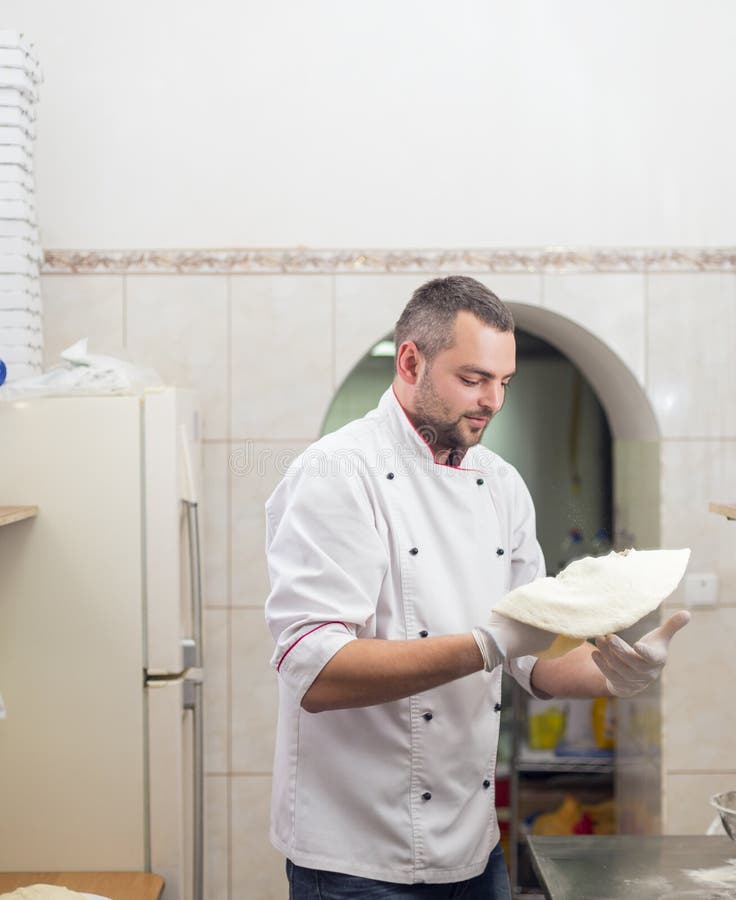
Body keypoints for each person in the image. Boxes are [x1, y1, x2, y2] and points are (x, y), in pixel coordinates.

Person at [264, 276, 689, 899]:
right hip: (357, 858)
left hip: (473, 848)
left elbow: (531, 655)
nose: (493, 400)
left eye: (504, 383)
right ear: (410, 361)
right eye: (473, 379)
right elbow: (315, 672)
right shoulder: (336, 475)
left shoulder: (502, 485)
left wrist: (610, 673)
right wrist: (488, 644)